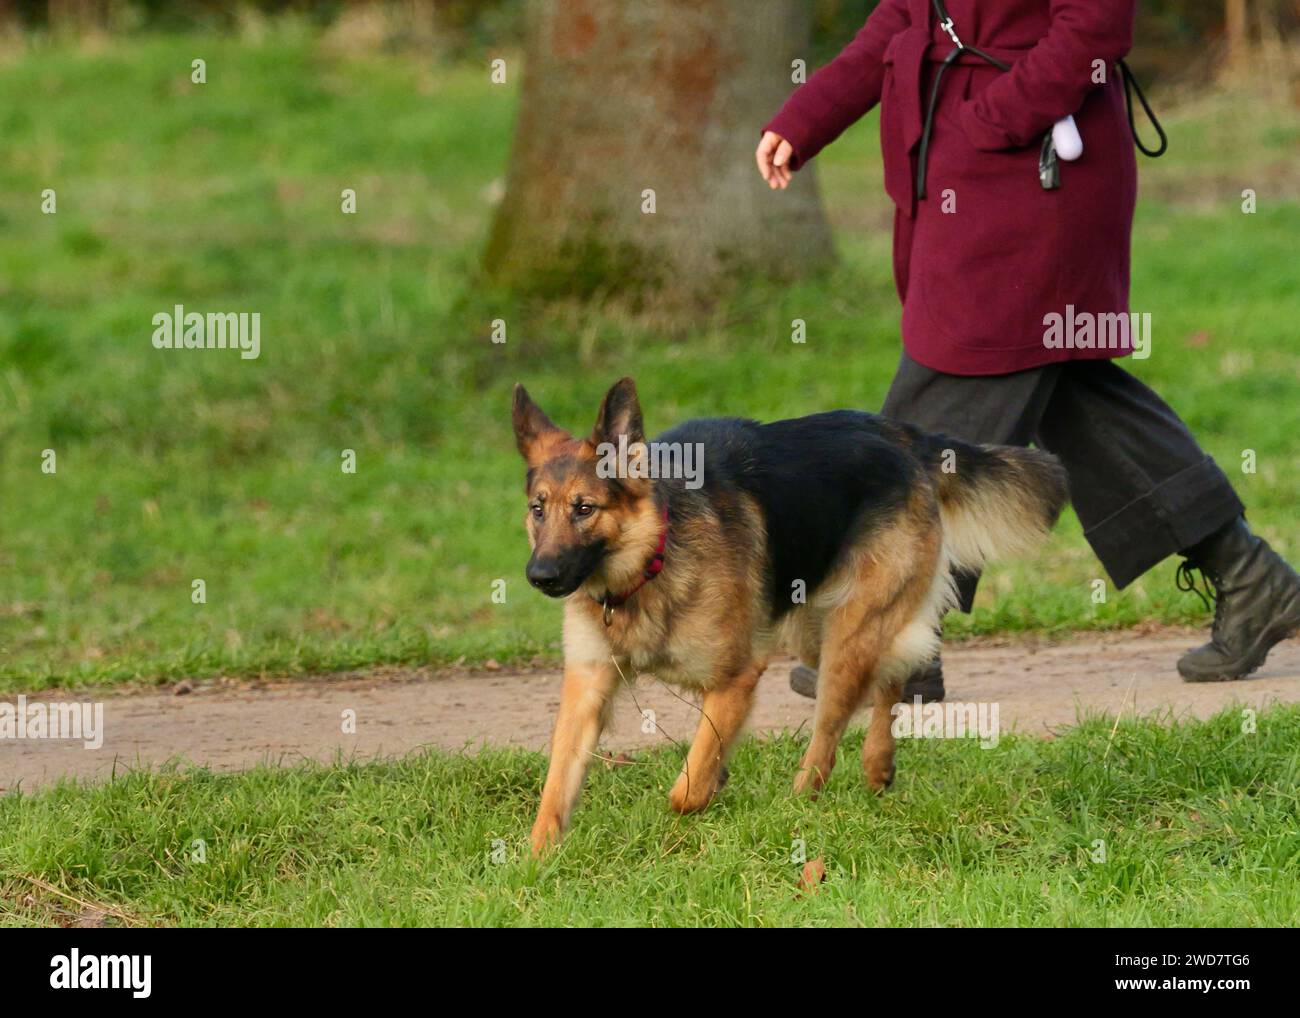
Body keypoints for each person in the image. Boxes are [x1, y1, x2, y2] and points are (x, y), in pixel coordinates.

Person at [755, 0, 1300, 702]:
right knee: (1069, 393)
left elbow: (1096, 25)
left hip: (1035, 172)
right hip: (972, 171)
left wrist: (996, 117)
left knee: (949, 387)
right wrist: (805, 118)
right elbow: (903, 16)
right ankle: (1250, 578)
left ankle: (895, 635)